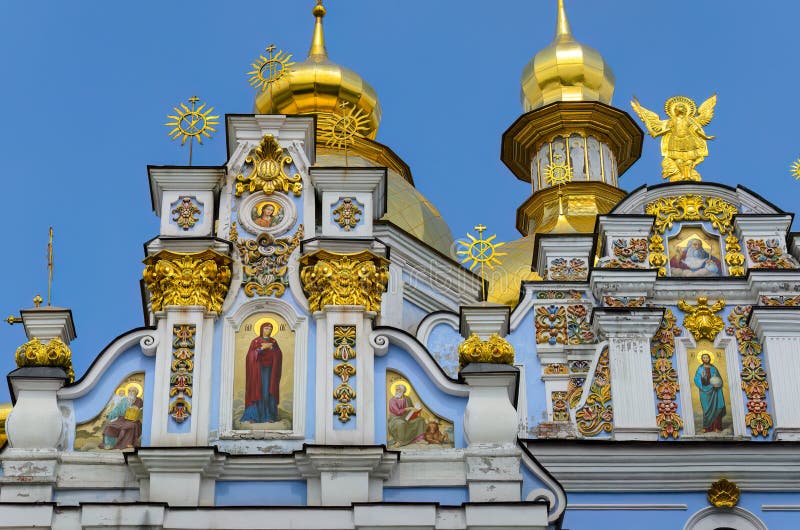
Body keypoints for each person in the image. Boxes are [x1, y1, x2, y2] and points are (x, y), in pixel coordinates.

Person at [241, 322, 283, 423]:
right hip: (258, 371)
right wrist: (260, 349)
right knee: (257, 390)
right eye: (266, 328)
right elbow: (250, 356)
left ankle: (268, 416)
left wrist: (272, 348)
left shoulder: (273, 341)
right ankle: (254, 416)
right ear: (261, 329)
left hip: (270, 371)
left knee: (267, 392)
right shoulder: (255, 341)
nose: (268, 330)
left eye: (270, 329)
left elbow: (279, 354)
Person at [694, 352, 726, 432]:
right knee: (706, 409)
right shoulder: (700, 368)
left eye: (707, 357)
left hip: (714, 390)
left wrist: (717, 383)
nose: (705, 359)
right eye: (704, 358)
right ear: (702, 359)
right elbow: (696, 379)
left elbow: (719, 378)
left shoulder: (714, 368)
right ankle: (707, 427)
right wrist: (701, 377)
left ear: (709, 358)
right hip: (704, 391)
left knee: (715, 408)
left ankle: (716, 427)